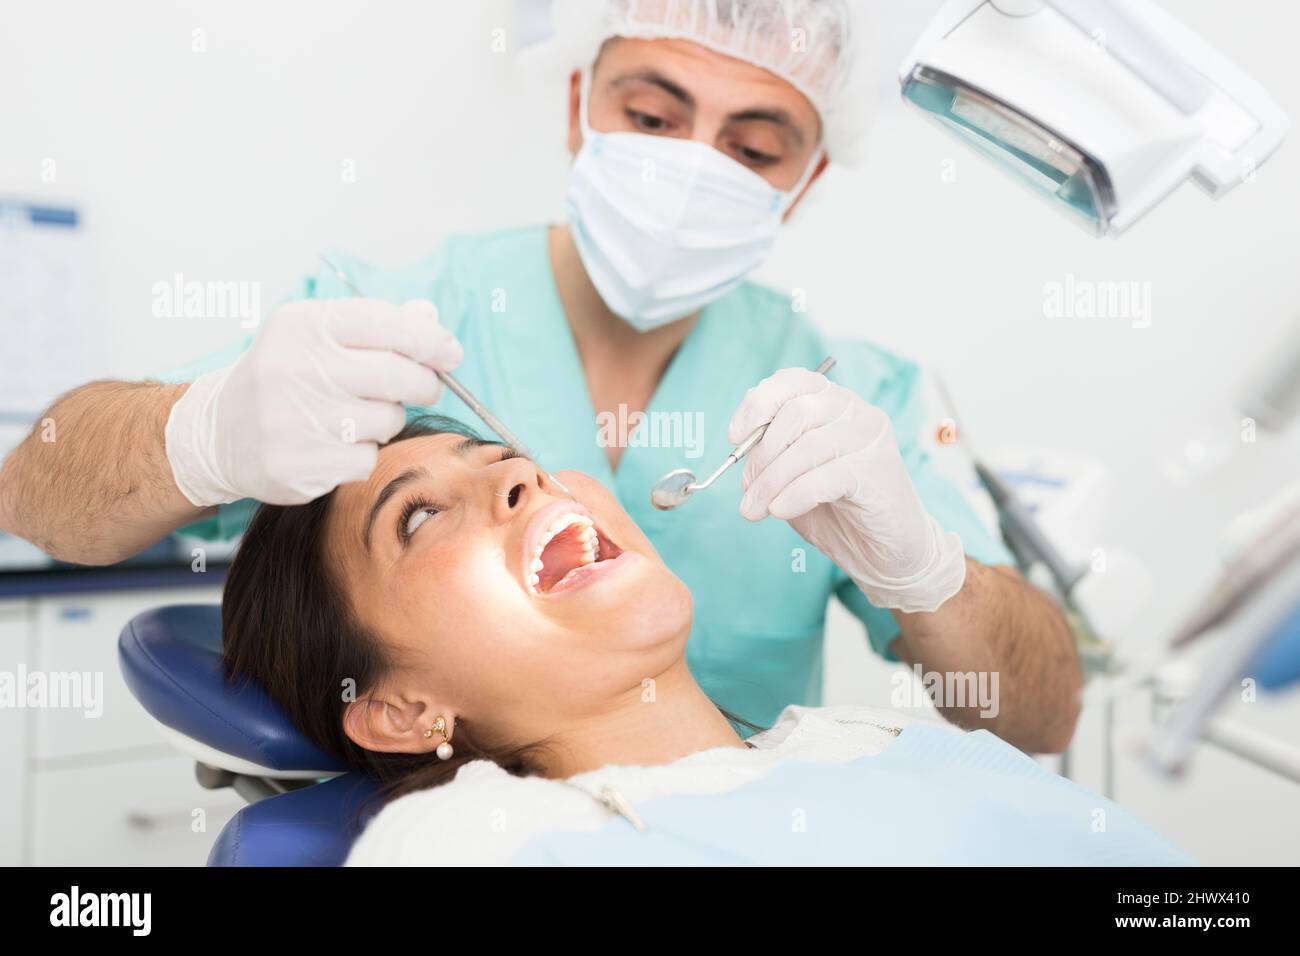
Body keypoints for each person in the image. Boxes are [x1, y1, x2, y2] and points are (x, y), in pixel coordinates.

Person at [0, 0, 1080, 746]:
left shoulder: (854, 400)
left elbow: (1039, 717)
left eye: (753, 149)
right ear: (577, 108)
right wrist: (200, 434)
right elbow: (35, 495)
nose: (693, 165)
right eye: (651, 117)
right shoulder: (395, 313)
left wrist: (925, 573)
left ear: (805, 181)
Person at [222, 416, 1190, 867]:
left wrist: (928, 566)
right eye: (420, 516)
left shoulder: (863, 738)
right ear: (400, 707)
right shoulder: (472, 841)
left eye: (508, 458)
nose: (521, 481)